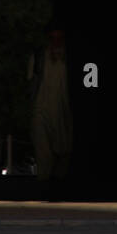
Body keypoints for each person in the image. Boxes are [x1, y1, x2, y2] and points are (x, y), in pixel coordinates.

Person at [28, 23, 73, 184]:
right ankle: (45, 187)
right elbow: (31, 83)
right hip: (41, 111)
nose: (56, 43)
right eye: (53, 39)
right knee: (44, 153)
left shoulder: (71, 59)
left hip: (63, 112)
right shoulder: (39, 57)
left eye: (59, 39)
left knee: (65, 151)